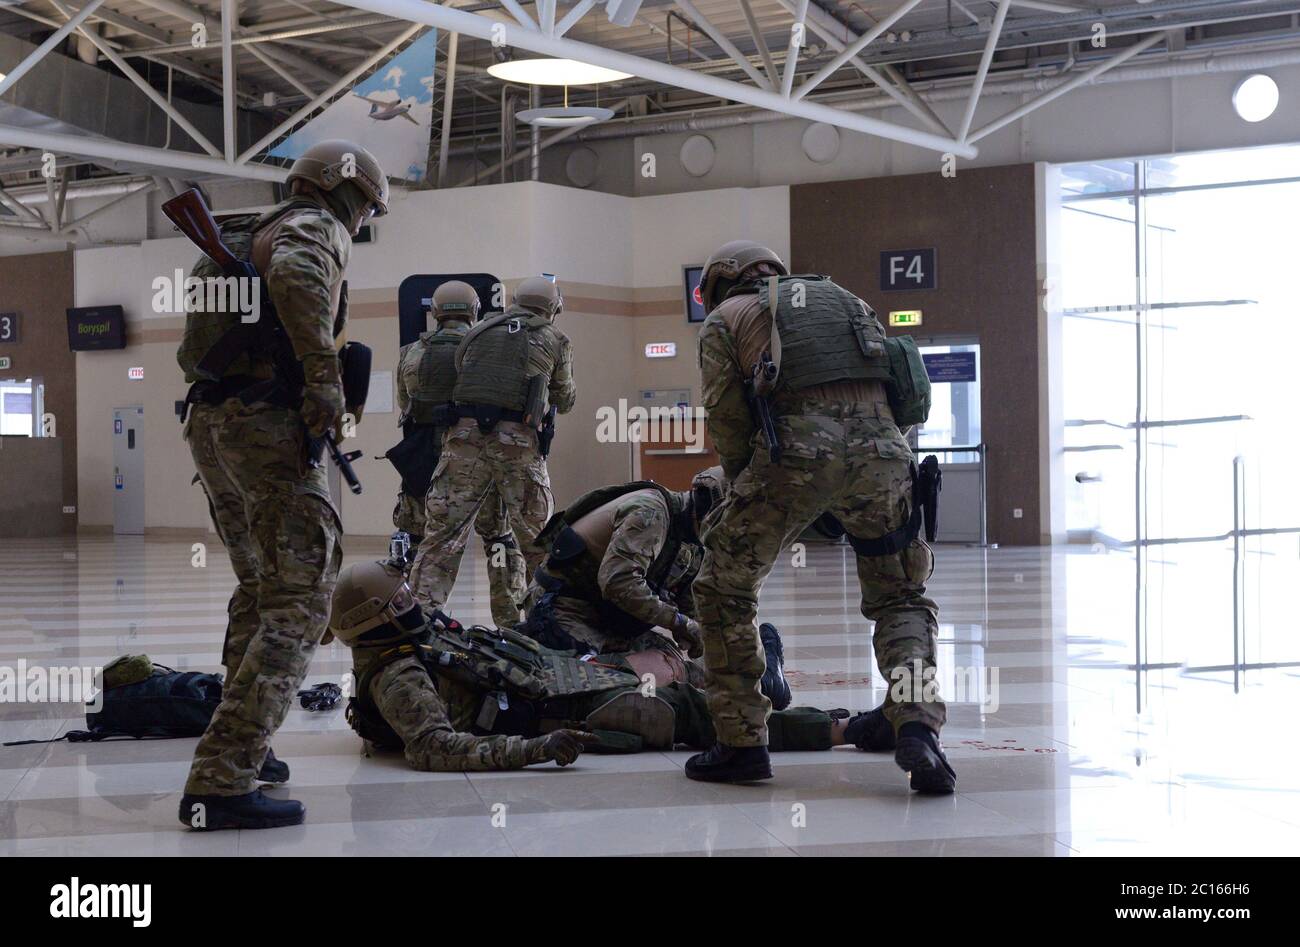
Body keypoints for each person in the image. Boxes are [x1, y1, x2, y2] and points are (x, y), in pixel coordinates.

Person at [687, 239, 954, 793]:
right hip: (886, 454)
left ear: (720, 282)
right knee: (900, 596)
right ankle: (918, 728)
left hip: (795, 453)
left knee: (724, 591)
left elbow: (728, 419)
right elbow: (898, 387)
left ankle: (740, 745)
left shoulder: (726, 317)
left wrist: (746, 488)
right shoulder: (847, 299)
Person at [176, 139, 387, 830]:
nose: (359, 223)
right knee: (302, 602)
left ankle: (248, 746)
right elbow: (299, 279)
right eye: (363, 209)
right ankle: (222, 775)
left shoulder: (240, 233)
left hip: (213, 423)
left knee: (262, 588)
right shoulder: (311, 227)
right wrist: (322, 382)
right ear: (344, 193)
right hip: (266, 424)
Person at [329, 561, 872, 771]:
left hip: (557, 671)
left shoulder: (413, 643)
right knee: (696, 714)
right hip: (555, 705)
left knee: (668, 660)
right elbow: (434, 748)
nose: (413, 606)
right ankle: (843, 728)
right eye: (400, 602)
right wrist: (537, 749)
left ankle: (762, 678)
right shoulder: (398, 677)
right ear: (374, 621)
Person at [521, 466, 792, 711]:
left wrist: (718, 642)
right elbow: (618, 583)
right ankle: (754, 689)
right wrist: (679, 623)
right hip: (561, 612)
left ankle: (758, 679)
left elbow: (692, 606)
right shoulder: (651, 513)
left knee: (669, 661)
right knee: (632, 676)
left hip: (602, 618)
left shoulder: (690, 538)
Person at [408, 276, 575, 612]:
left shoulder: (479, 330)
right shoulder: (555, 337)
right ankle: (557, 617)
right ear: (553, 308)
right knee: (537, 538)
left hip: (463, 440)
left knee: (442, 538)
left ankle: (418, 621)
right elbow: (565, 398)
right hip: (517, 445)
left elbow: (461, 372)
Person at [390, 280, 527, 626]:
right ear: (475, 311)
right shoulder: (483, 351)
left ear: (434, 313)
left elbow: (405, 408)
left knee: (424, 542)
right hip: (478, 458)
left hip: (424, 462)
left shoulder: (410, 354)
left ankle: (412, 618)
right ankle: (511, 622)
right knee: (499, 540)